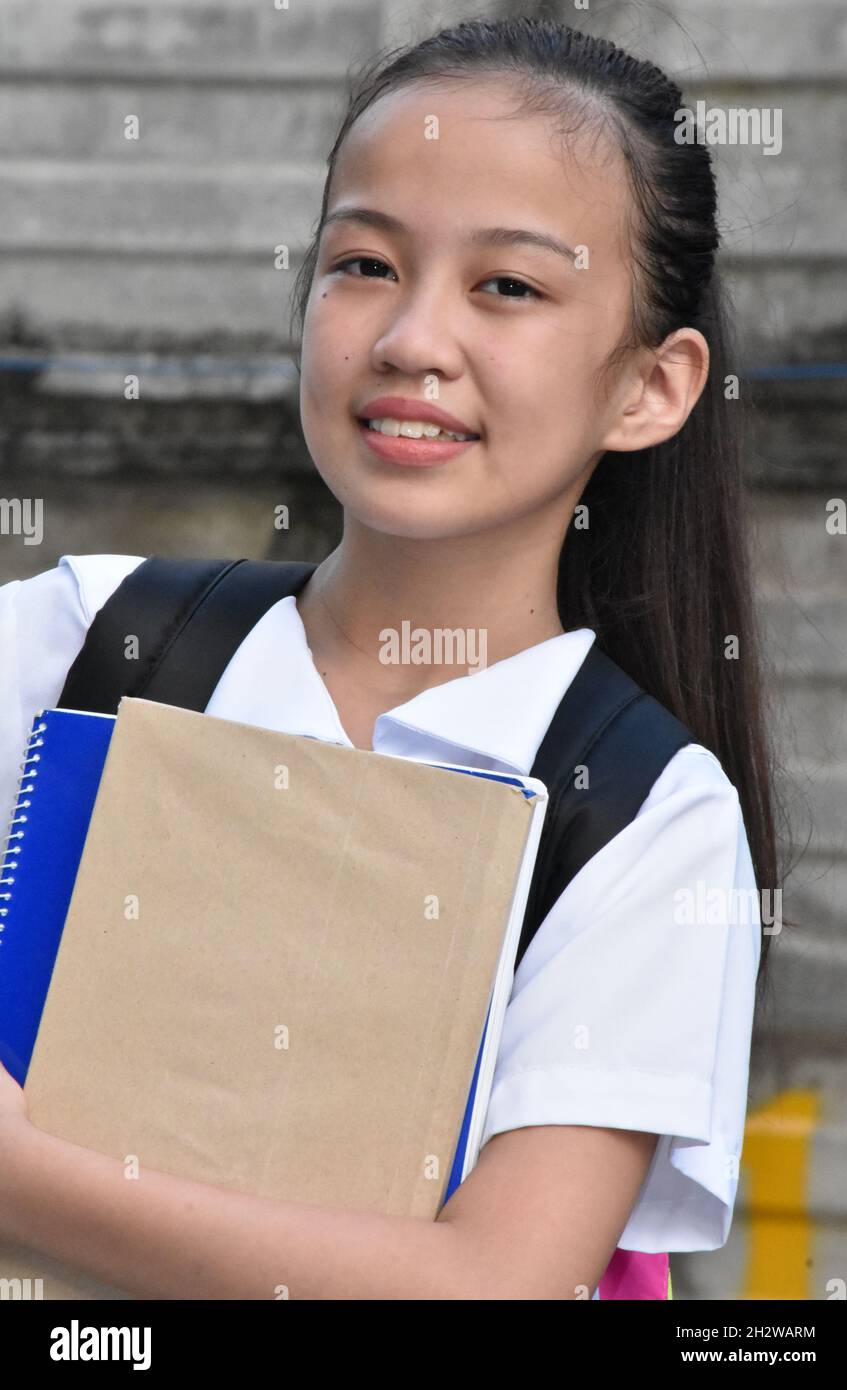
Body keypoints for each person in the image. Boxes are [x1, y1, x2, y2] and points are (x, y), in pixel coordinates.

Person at [0, 18, 782, 1300]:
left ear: (651, 384)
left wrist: (20, 1176)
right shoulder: (80, 641)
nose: (412, 338)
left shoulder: (647, 820)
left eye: (507, 287)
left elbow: (486, 1288)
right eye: (364, 263)